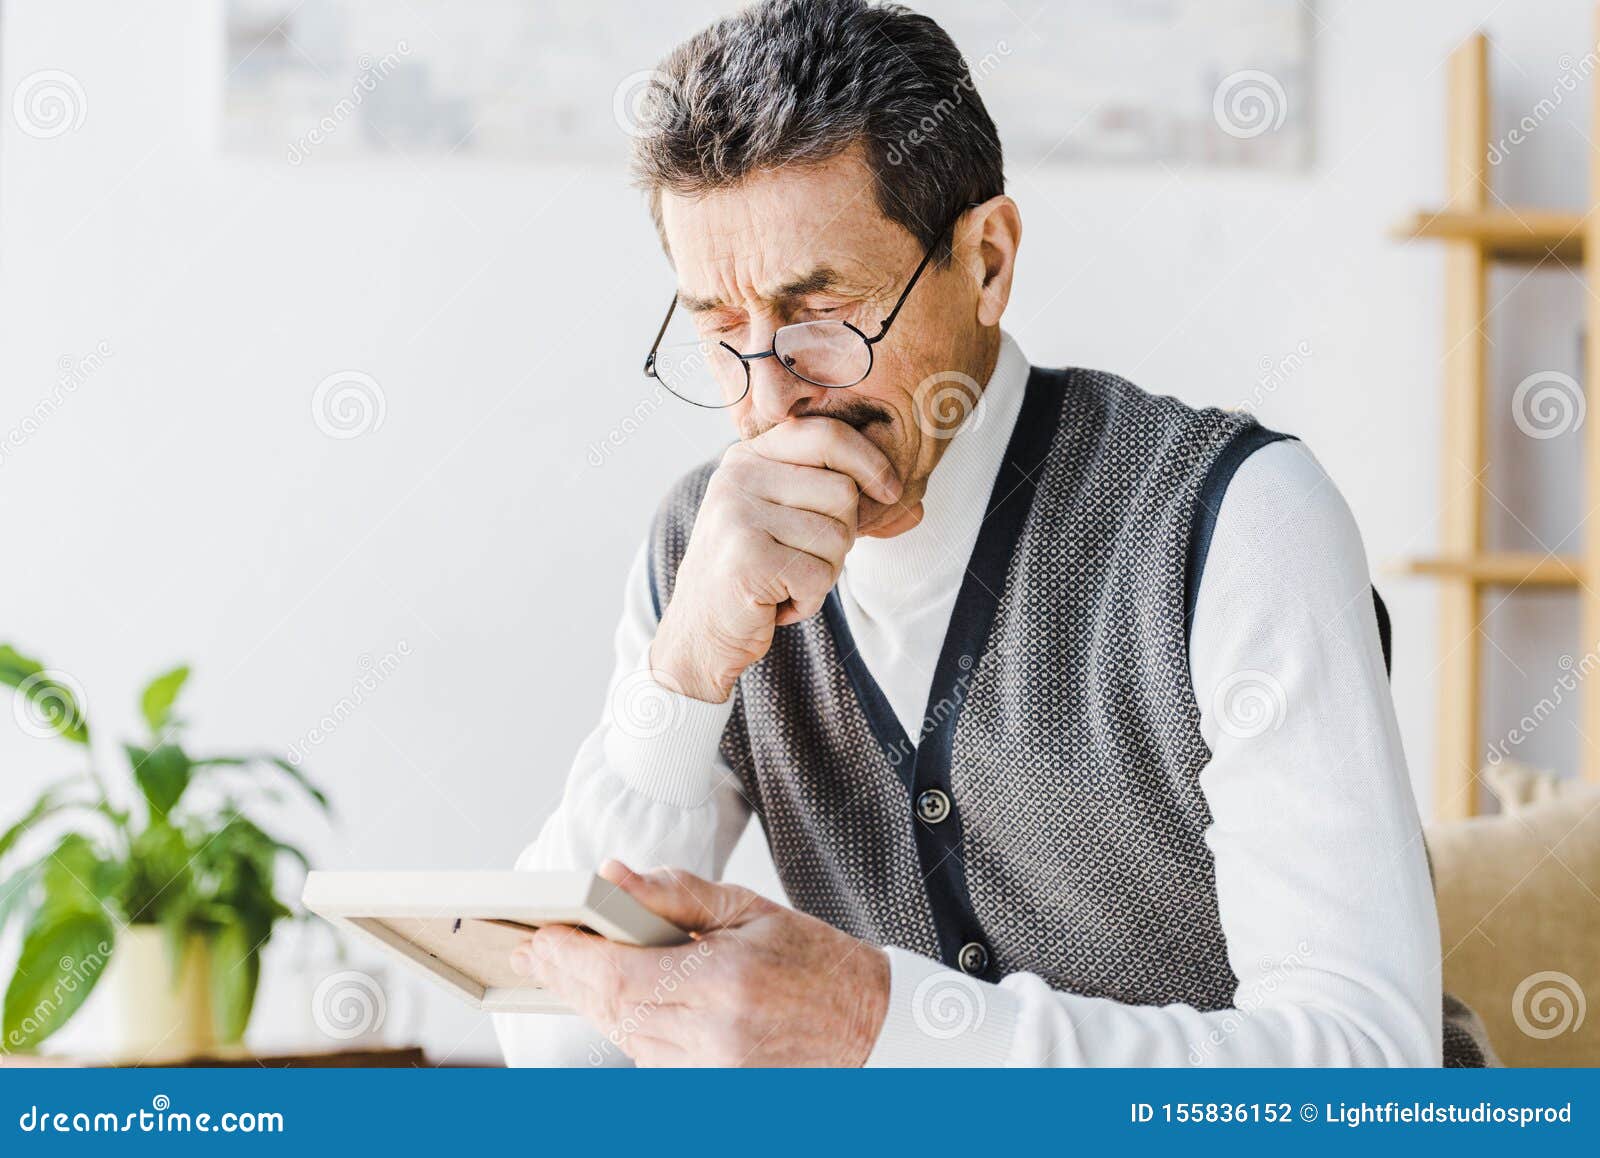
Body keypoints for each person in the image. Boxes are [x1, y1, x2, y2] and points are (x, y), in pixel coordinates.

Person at [493, 0, 1489, 1067]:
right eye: (720, 332)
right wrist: (683, 673)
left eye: (822, 311)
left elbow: (1368, 1067)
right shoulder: (706, 549)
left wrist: (879, 1025)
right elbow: (558, 1050)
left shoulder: (1236, 520)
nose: (769, 399)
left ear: (987, 261)